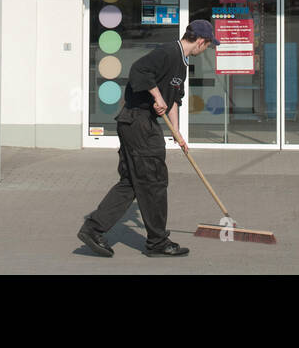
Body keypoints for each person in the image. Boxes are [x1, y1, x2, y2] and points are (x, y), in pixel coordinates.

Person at [78, 19, 218, 257]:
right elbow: (138, 71)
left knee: (132, 182)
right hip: (138, 122)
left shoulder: (181, 64)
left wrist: (177, 132)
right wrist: (156, 95)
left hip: (140, 124)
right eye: (208, 45)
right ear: (201, 41)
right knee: (153, 181)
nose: (206, 50)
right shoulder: (168, 52)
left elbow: (173, 100)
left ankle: (93, 229)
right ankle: (158, 242)